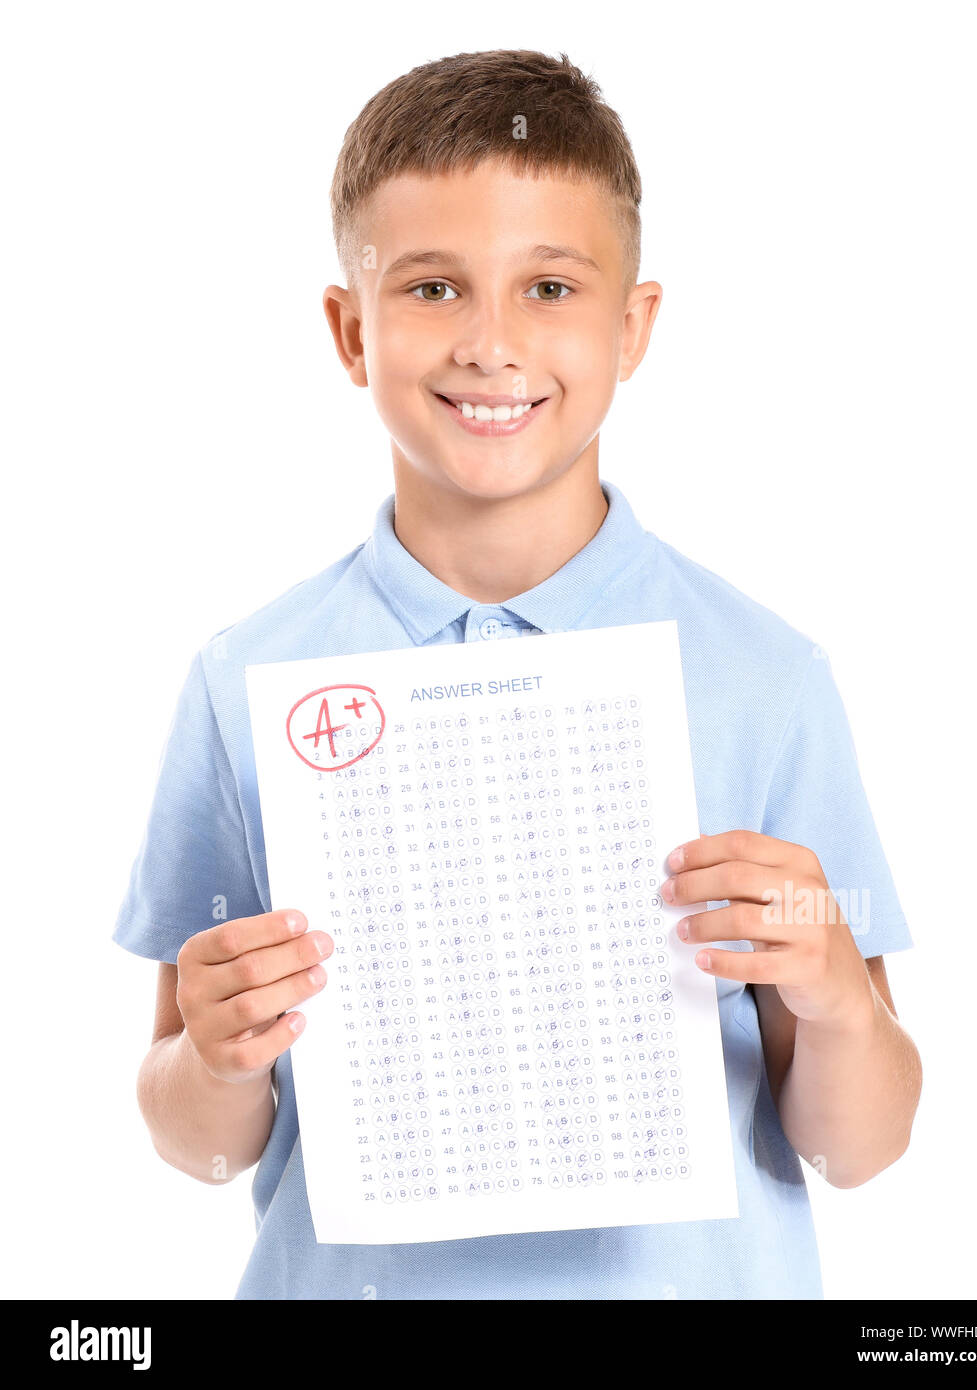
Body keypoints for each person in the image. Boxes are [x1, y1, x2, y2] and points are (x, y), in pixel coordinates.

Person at [114, 48, 922, 1300]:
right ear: (349, 329)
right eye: (433, 286)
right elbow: (197, 1141)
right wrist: (215, 1059)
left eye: (549, 285)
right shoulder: (244, 682)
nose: (493, 344)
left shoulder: (766, 676)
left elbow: (859, 1143)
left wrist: (832, 996)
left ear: (632, 326)